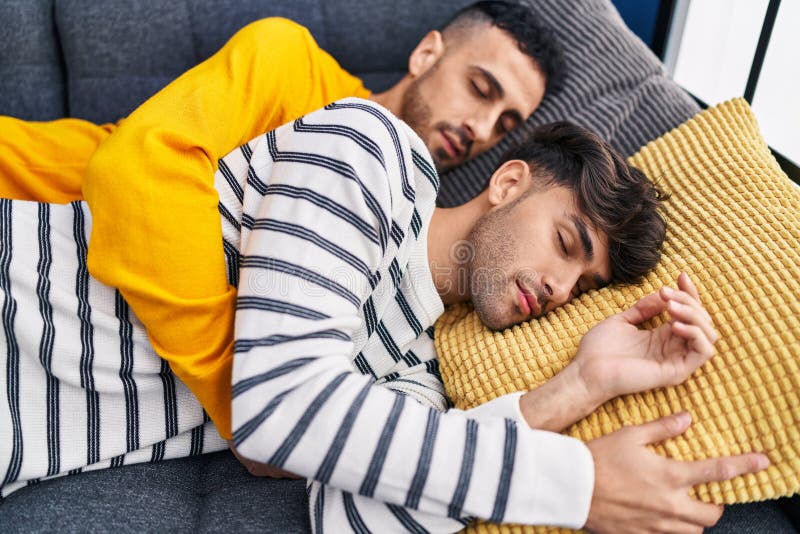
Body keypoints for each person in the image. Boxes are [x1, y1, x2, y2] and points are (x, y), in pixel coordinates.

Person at [0, 99, 769, 532]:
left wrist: (579, 385)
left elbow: (353, 523)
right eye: (567, 242)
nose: (561, 288)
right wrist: (575, 485)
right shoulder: (376, 157)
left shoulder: (419, 373)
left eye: (583, 284)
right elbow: (277, 404)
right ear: (507, 183)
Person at [0, 1, 561, 441]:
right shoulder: (290, 59)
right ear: (427, 54)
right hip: (27, 193)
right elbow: (140, 169)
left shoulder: (414, 236)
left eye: (505, 121)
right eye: (480, 89)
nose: (483, 128)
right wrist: (240, 393)